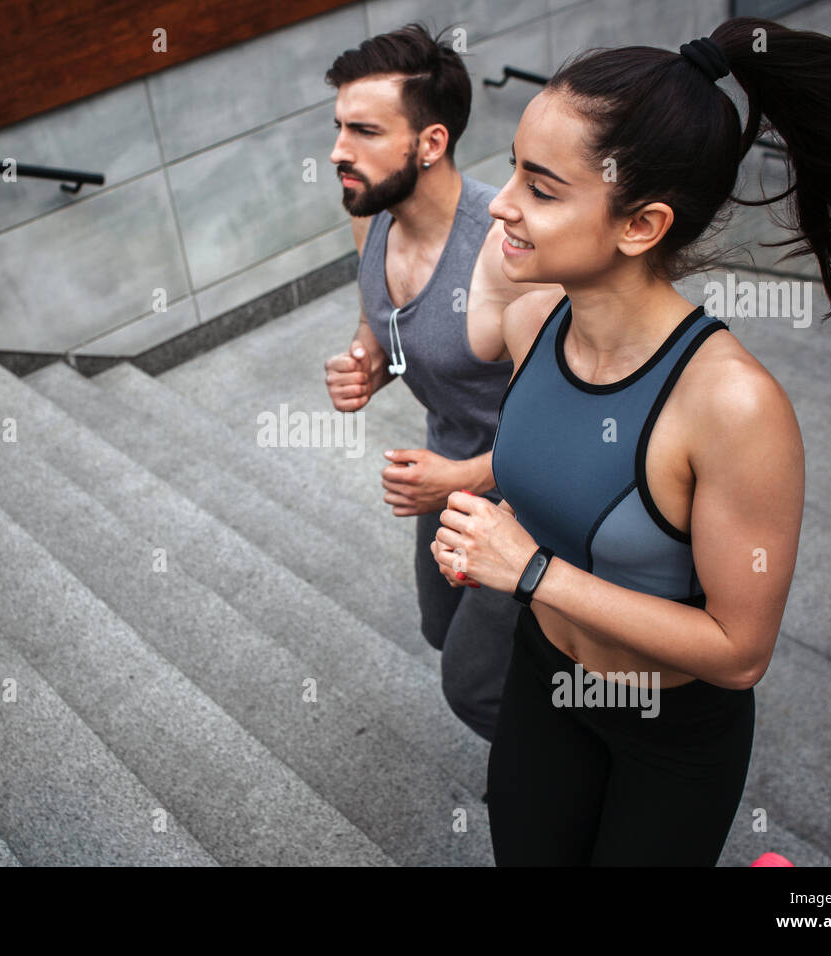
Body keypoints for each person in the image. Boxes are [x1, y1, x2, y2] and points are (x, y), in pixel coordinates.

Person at [430, 19, 831, 864]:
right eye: (512, 171)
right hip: (543, 677)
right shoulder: (535, 325)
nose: (500, 203)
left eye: (541, 186)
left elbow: (739, 652)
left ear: (640, 226)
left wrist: (529, 569)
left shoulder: (734, 407)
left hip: (669, 730)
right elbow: (525, 398)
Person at [322, 23, 561, 743]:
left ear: (429, 144)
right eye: (338, 128)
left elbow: (564, 431)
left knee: (473, 686)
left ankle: (567, 772)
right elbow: (390, 322)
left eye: (363, 130)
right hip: (447, 474)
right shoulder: (372, 216)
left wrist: (462, 476)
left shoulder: (509, 255)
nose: (338, 151)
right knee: (440, 630)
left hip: (529, 498)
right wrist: (367, 363)